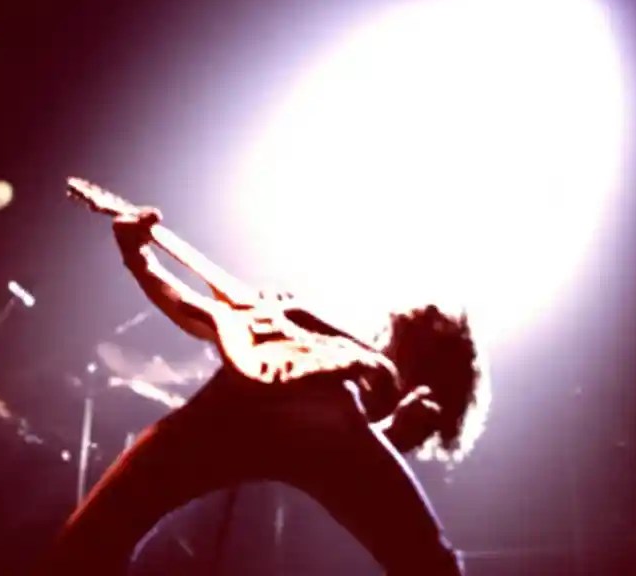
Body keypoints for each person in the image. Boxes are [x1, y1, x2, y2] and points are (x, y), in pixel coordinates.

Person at [34, 207, 486, 575]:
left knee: (88, 546)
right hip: (241, 411)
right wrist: (138, 258)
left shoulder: (371, 411)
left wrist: (391, 432)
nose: (423, 310)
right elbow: (197, 311)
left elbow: (344, 484)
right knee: (87, 545)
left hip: (264, 438)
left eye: (432, 324)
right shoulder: (331, 353)